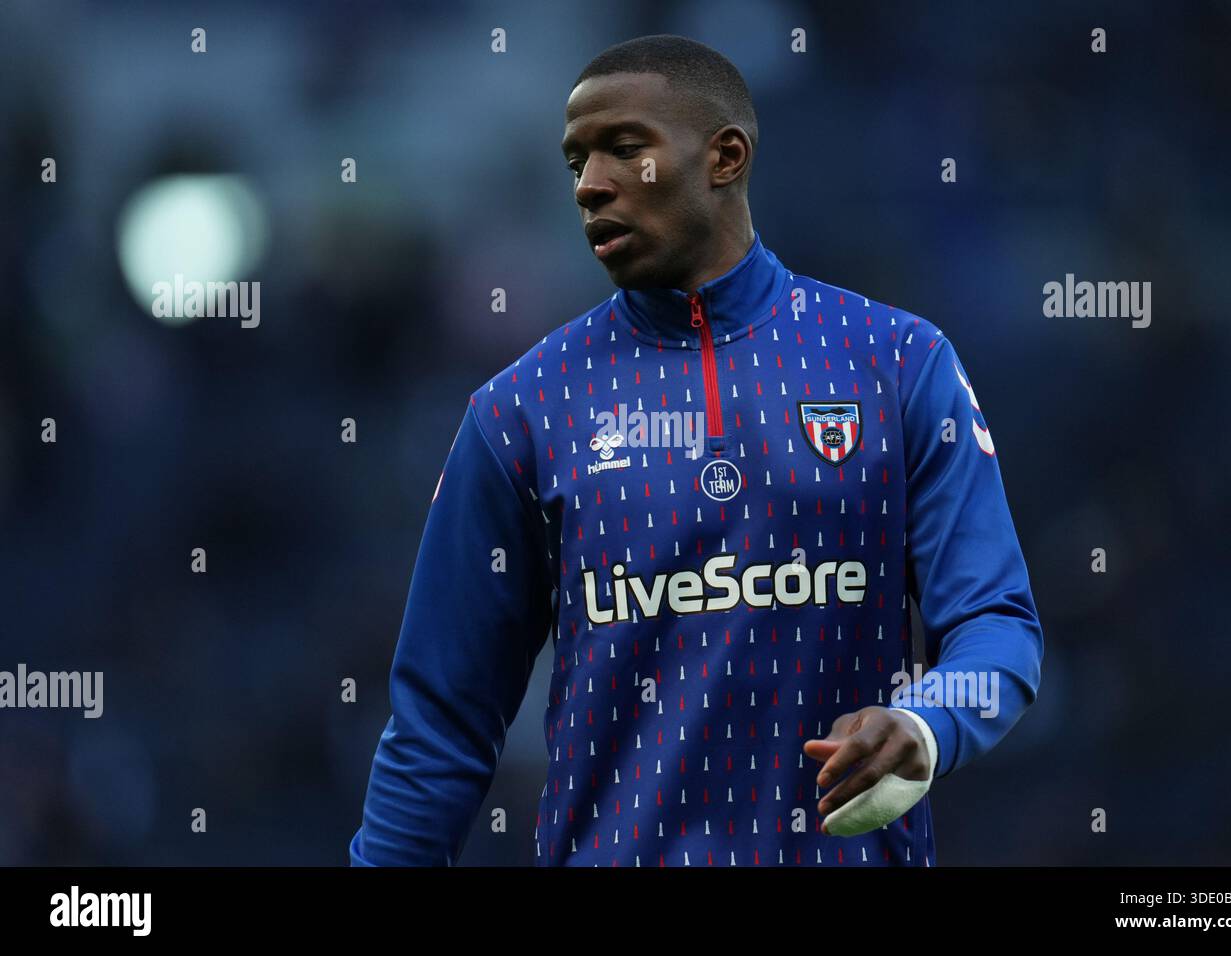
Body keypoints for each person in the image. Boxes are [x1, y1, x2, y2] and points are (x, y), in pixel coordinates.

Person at [350, 34, 1043, 867]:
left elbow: (997, 628)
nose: (590, 185)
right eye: (576, 160)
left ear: (725, 156)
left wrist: (927, 724)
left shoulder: (896, 363)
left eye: (624, 148)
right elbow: (439, 725)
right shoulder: (521, 412)